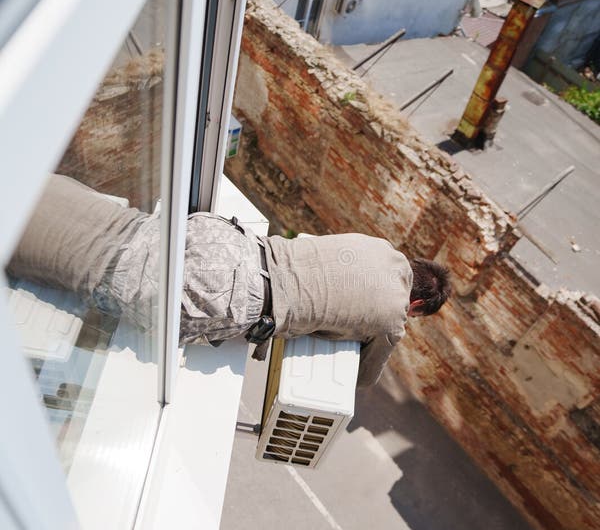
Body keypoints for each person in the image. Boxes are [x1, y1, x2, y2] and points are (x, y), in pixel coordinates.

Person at [8, 174, 451, 386]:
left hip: (235, 241)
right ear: (415, 305)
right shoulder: (395, 319)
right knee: (112, 272)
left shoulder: (379, 246)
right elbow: (363, 379)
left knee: (129, 232)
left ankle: (38, 192)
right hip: (235, 297)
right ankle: (22, 240)